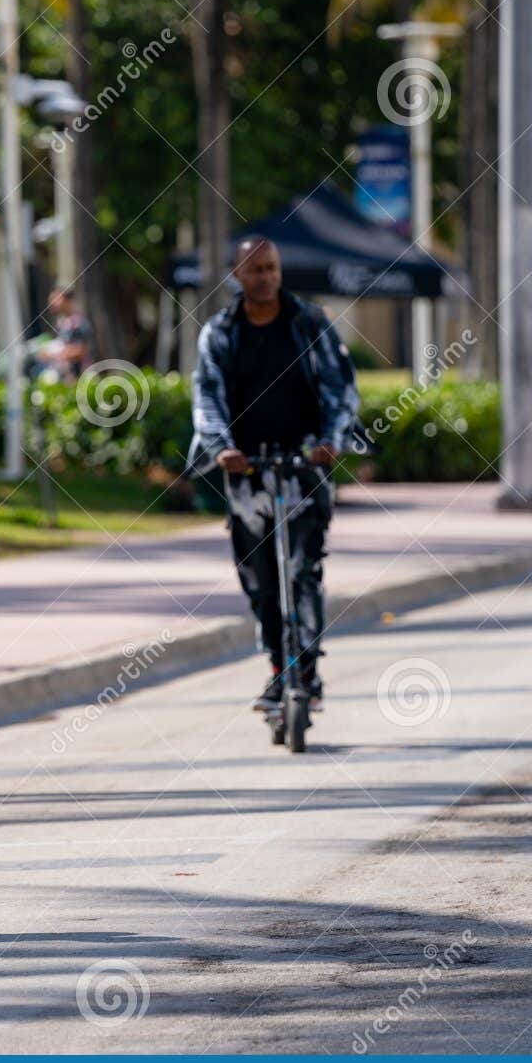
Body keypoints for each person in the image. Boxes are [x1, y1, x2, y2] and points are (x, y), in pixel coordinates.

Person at [186, 238, 357, 713]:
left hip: (304, 464)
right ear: (236, 275)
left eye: (271, 268)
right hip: (247, 468)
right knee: (261, 579)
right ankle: (279, 669)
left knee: (303, 570)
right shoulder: (220, 333)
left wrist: (331, 440)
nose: (264, 277)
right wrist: (222, 449)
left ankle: (306, 672)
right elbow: (207, 396)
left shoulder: (309, 323)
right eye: (254, 269)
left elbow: (340, 387)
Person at [36, 287, 92, 382]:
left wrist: (53, 355)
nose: (52, 303)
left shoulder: (78, 323)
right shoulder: (61, 323)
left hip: (77, 377)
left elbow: (81, 350)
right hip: (64, 377)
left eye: (56, 298)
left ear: (67, 300)